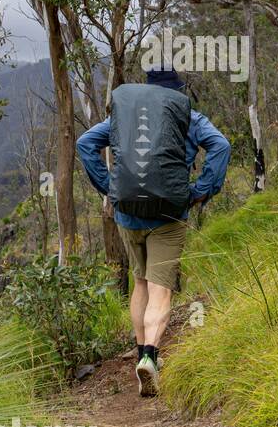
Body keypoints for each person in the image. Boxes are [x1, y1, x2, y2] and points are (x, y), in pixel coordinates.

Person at [76, 67, 231, 396]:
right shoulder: (188, 116)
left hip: (128, 214)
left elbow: (85, 143)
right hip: (168, 216)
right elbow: (221, 146)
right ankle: (150, 357)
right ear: (177, 91)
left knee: (140, 282)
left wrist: (110, 188)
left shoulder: (127, 116)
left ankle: (139, 349)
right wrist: (201, 190)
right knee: (161, 291)